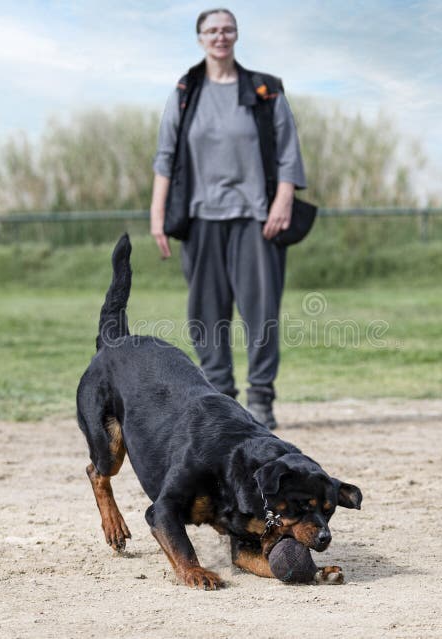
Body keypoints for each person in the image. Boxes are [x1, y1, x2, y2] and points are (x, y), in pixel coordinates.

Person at [149, 8, 306, 430]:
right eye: (212, 30)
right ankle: (219, 399)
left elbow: (289, 150)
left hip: (258, 218)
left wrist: (283, 200)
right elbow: (164, 157)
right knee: (206, 313)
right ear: (200, 38)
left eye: (228, 29)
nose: (221, 36)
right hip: (201, 218)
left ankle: (261, 401)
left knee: (261, 312)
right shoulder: (186, 90)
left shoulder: (265, 89)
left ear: (236, 35)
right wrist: (157, 214)